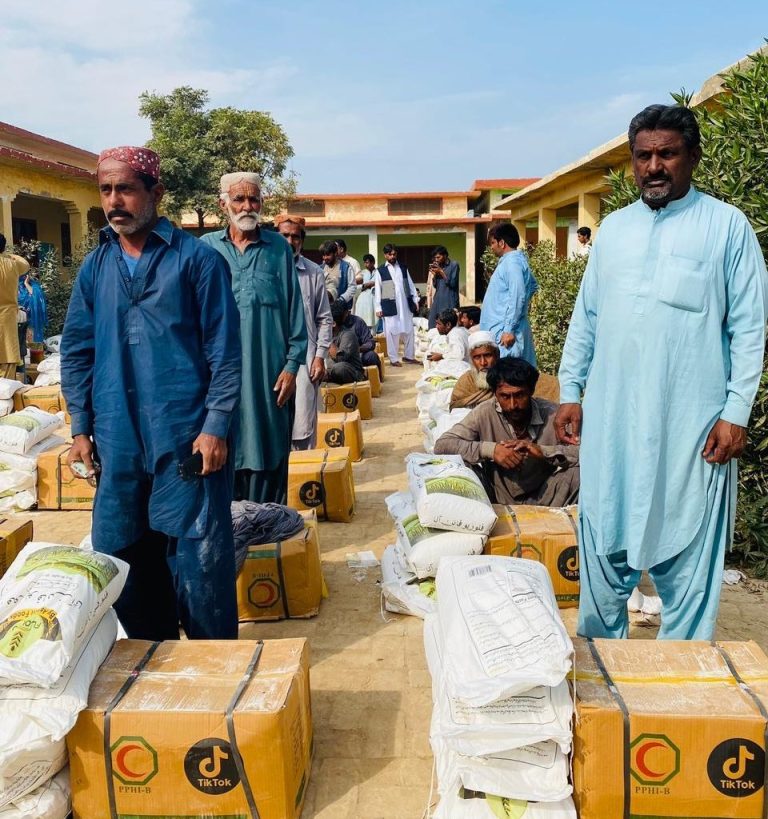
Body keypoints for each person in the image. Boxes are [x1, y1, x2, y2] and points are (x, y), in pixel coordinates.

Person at [555, 104, 768, 641]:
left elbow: (749, 328)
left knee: (689, 544)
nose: (653, 167)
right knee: (604, 531)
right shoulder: (614, 231)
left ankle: (681, 673)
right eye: (643, 156)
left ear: (692, 157)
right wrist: (571, 390)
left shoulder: (727, 227)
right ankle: (601, 667)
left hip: (692, 428)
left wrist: (736, 412)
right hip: (613, 421)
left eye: (667, 154)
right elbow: (587, 318)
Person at [61, 146, 241, 641]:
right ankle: (154, 660)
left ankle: (212, 666)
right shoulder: (96, 267)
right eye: (105, 190)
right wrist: (81, 428)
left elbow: (225, 353)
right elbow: (76, 351)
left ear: (155, 192)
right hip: (117, 439)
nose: (113, 201)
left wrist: (215, 426)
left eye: (125, 189)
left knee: (201, 563)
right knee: (124, 553)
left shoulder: (197, 261)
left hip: (185, 438)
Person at [201, 172, 307, 504]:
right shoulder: (205, 249)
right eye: (239, 199)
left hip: (269, 377)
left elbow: (295, 312)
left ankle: (268, 524)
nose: (247, 206)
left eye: (254, 199)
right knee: (222, 449)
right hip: (219, 379)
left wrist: (292, 366)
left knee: (269, 450)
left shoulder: (278, 248)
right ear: (223, 205)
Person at [434, 357, 579, 506]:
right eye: (504, 396)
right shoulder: (484, 412)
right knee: (460, 466)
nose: (512, 405)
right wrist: (491, 450)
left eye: (519, 395)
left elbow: (584, 453)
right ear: (495, 394)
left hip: (546, 496)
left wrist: (543, 452)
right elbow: (443, 445)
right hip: (495, 496)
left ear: (531, 391)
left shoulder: (553, 415)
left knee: (578, 474)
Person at [277, 215, 333, 451]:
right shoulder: (265, 268)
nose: (290, 241)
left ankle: (303, 470)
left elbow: (324, 318)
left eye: (296, 237)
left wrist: (320, 356)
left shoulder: (313, 272)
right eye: (284, 236)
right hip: (271, 357)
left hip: (305, 360)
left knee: (303, 426)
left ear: (302, 240)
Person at [480, 223, 539, 365]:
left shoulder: (512, 263)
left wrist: (509, 329)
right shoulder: (512, 261)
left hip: (506, 335)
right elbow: (532, 286)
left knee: (510, 374)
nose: (491, 247)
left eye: (493, 243)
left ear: (502, 243)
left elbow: (518, 295)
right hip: (504, 329)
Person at [374, 243, 419, 367]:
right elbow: (378, 290)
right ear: (385, 255)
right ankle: (393, 359)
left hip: (405, 304)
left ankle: (409, 356)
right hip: (389, 303)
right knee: (392, 331)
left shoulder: (403, 267)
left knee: (409, 330)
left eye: (394, 254)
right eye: (390, 254)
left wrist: (415, 299)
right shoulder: (381, 270)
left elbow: (410, 284)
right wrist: (378, 307)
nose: (392, 256)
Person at [449, 330, 500, 410]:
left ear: (497, 356)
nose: (483, 363)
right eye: (477, 357)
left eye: (487, 355)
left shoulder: (506, 377)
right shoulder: (466, 380)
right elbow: (455, 406)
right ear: (472, 360)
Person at [0, 234, 26, 379]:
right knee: (8, 356)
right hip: (7, 317)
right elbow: (25, 264)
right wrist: (7, 255)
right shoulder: (13, 265)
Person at [325, 300, 365, 384]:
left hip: (351, 373)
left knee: (340, 368)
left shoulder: (348, 335)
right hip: (329, 371)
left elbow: (340, 359)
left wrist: (327, 341)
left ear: (333, 323)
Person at [427, 245, 460, 329]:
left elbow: (453, 284)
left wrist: (441, 272)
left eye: (438, 257)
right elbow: (436, 286)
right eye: (435, 258)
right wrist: (434, 275)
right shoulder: (439, 266)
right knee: (432, 323)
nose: (436, 260)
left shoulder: (454, 265)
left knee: (448, 325)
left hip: (450, 300)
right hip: (438, 300)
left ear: (445, 255)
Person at [320, 240, 355, 305]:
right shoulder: (320, 268)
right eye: (323, 255)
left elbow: (352, 287)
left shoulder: (346, 267)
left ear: (335, 253)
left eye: (328, 255)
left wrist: (341, 300)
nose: (325, 258)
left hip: (341, 307)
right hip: (324, 307)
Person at [353, 253, 377, 329]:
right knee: (363, 322)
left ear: (373, 262)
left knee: (374, 322)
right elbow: (354, 286)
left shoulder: (378, 273)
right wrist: (364, 285)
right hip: (363, 300)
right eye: (365, 263)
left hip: (374, 299)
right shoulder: (362, 273)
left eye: (367, 262)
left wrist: (374, 284)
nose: (365, 265)